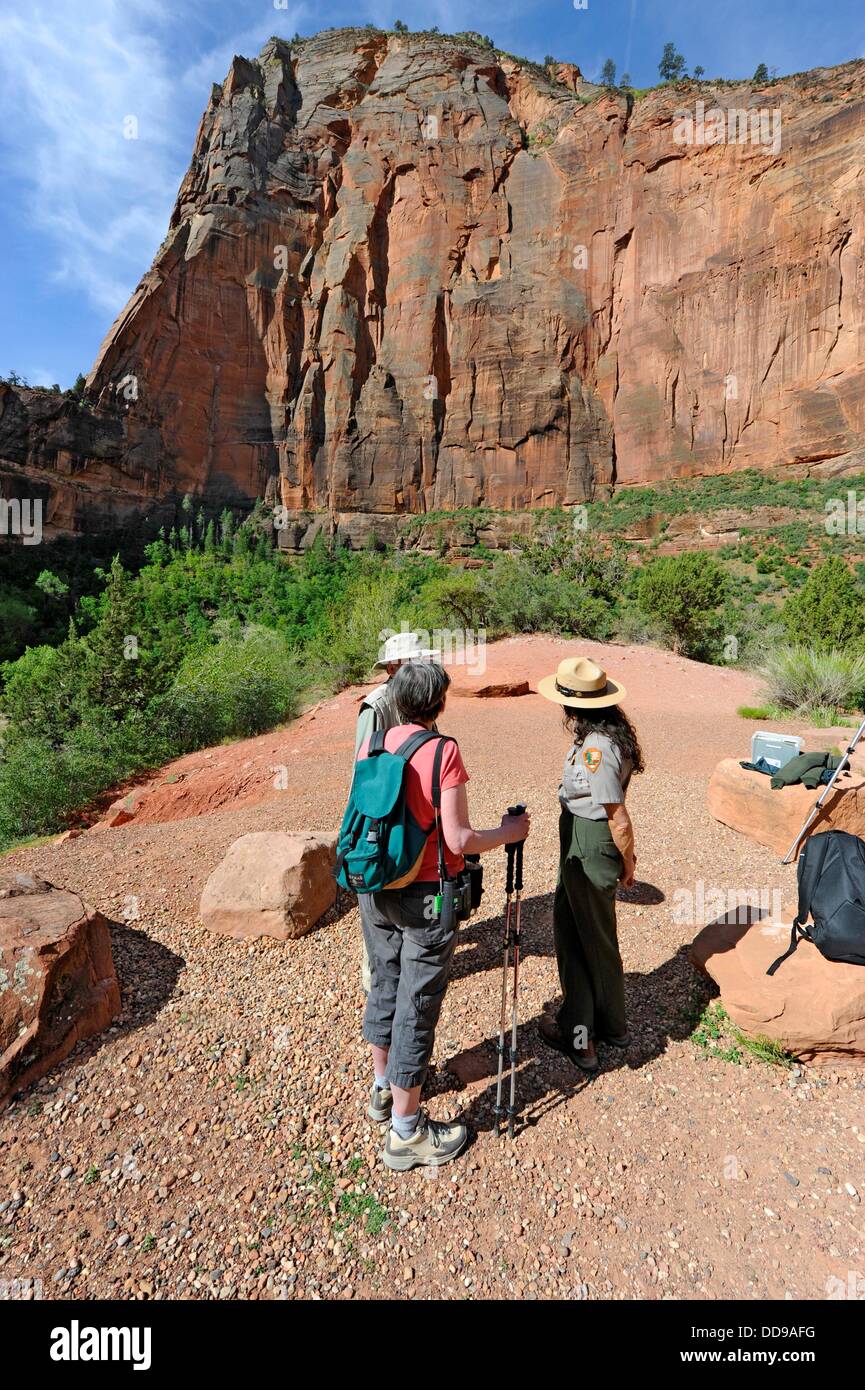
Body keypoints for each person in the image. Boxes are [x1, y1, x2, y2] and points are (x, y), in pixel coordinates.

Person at [357, 659, 530, 1171]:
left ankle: (383, 1090)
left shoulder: (375, 743)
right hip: (427, 895)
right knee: (417, 1001)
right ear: (439, 703)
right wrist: (506, 835)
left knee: (385, 984)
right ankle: (407, 1134)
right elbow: (458, 839)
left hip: (376, 888)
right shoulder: (442, 752)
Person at [537, 655, 644, 1074]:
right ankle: (612, 1026)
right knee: (594, 935)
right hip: (584, 836)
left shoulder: (597, 747)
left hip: (588, 838)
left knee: (577, 938)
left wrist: (628, 859)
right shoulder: (608, 734)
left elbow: (616, 814)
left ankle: (580, 1038)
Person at [354, 631, 440, 992]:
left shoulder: (419, 698)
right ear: (392, 666)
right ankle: (374, 974)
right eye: (413, 660)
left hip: (413, 811)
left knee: (410, 884)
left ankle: (404, 966)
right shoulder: (375, 706)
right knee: (379, 885)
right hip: (382, 812)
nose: (420, 666)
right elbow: (363, 772)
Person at [354, 631, 440, 757]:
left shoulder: (422, 696)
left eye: (421, 662)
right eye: (411, 662)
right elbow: (364, 765)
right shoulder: (377, 705)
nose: (418, 669)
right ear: (391, 668)